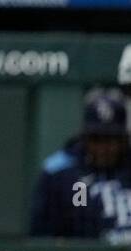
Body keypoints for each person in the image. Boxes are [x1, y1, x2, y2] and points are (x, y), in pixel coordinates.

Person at [30, 89, 131, 242]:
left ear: (123, 141)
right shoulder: (60, 173)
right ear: (84, 138)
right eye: (96, 139)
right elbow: (42, 238)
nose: (103, 148)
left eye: (111, 139)